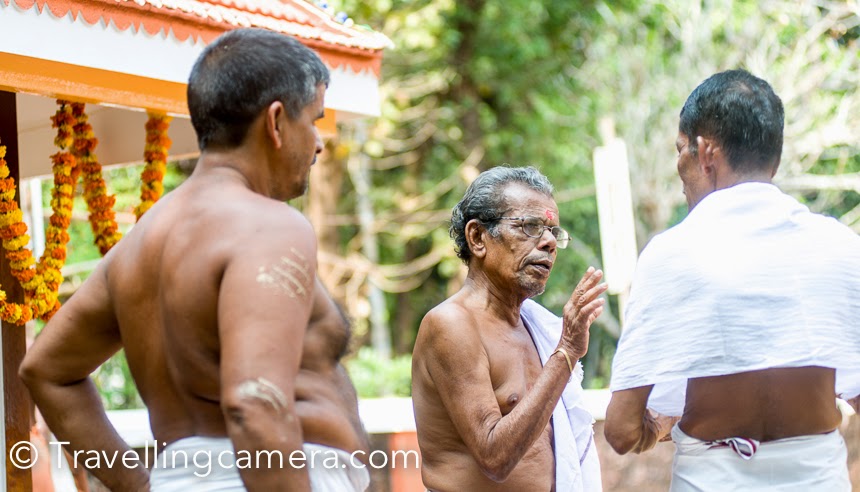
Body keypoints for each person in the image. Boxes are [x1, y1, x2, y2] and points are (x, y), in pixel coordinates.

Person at [20, 28, 370, 491]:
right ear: (277, 121)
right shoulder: (270, 225)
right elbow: (255, 405)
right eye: (315, 119)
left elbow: (45, 370)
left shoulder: (140, 243)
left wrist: (143, 487)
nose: (320, 143)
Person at [604, 69, 860, 491]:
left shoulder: (672, 255)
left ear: (706, 152)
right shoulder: (839, 246)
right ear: (773, 156)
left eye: (680, 151)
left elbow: (620, 430)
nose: (679, 168)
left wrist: (656, 428)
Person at [412, 166, 607, 492]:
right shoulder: (451, 325)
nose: (548, 243)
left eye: (552, 231)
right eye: (530, 226)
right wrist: (567, 352)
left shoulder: (535, 328)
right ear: (477, 238)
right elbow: (495, 457)